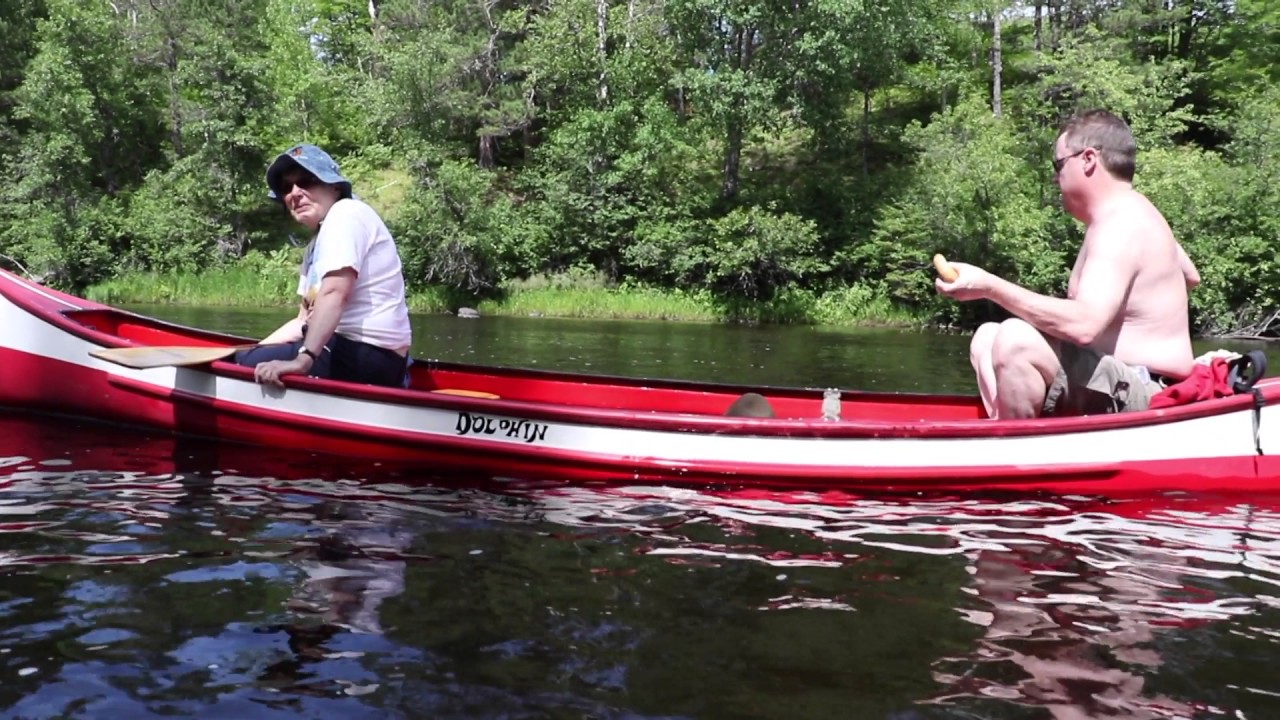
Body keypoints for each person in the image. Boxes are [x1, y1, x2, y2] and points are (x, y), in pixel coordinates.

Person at [936, 110, 1200, 419]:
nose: (1054, 177)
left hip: (1147, 390)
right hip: (1120, 382)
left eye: (1058, 165)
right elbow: (1190, 276)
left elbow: (1084, 326)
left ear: (1088, 159)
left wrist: (989, 286)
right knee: (987, 338)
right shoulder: (1137, 214)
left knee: (1015, 340)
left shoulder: (1121, 223)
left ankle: (1014, 455)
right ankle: (1007, 430)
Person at [234, 143, 412, 388]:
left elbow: (335, 292)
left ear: (334, 186)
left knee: (240, 367)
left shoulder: (346, 213)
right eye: (287, 188)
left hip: (366, 356)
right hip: (351, 352)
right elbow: (302, 321)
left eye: (306, 181)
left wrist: (303, 360)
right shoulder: (316, 246)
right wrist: (250, 352)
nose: (295, 193)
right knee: (241, 361)